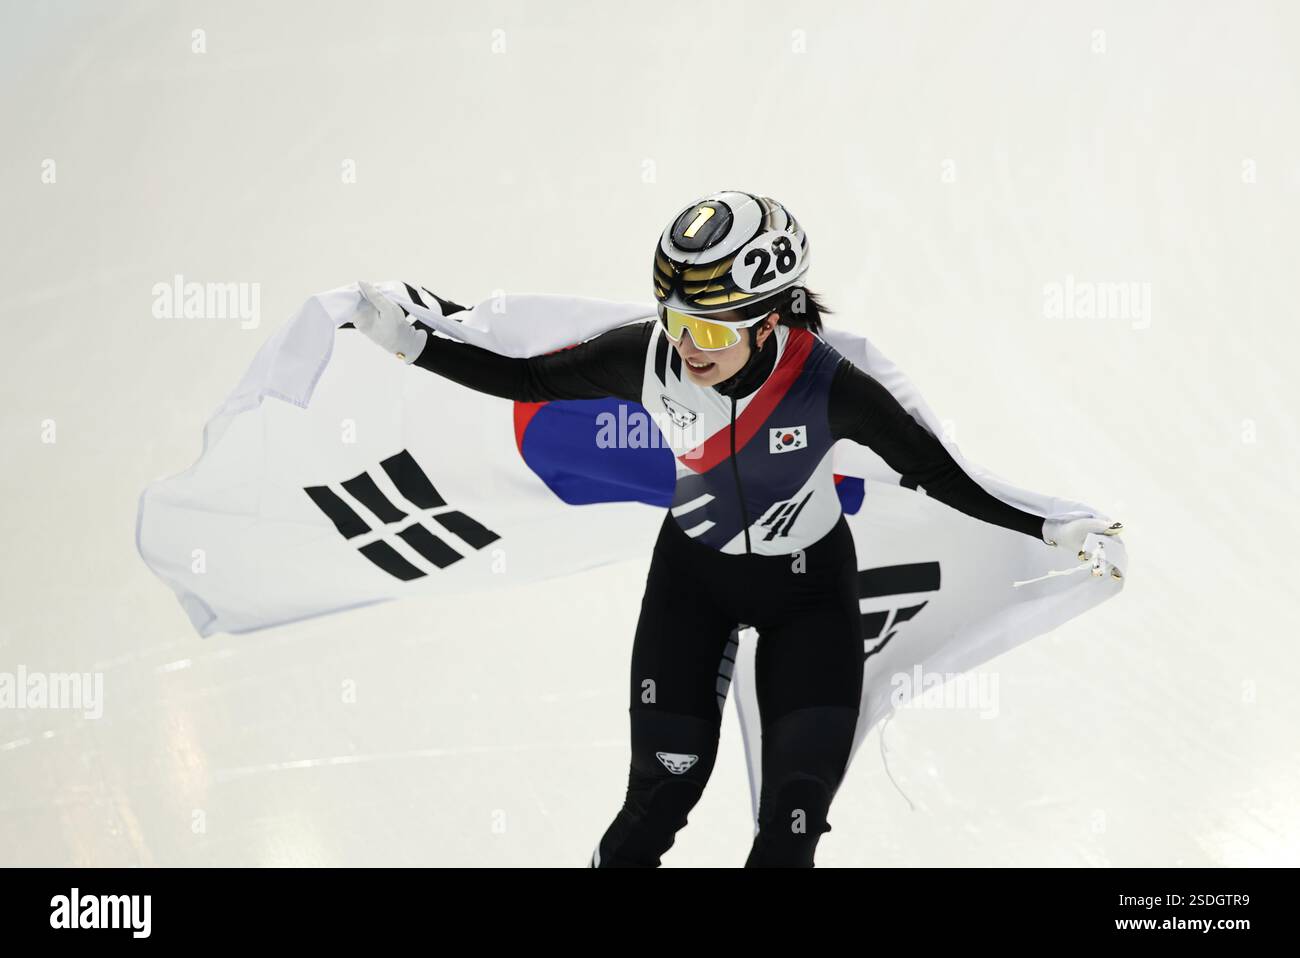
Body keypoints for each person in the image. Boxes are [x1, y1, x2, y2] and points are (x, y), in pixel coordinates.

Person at [352, 190, 1122, 867]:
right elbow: (527, 377)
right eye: (678, 322)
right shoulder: (646, 356)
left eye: (713, 334)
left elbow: (942, 472)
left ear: (773, 319)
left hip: (811, 600)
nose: (689, 349)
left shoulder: (833, 387)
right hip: (693, 585)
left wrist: (1057, 527)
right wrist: (409, 341)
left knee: (791, 826)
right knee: (660, 797)